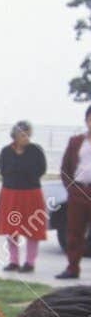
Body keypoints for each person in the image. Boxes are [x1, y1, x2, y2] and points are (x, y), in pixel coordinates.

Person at [0, 119, 46, 274]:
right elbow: (3, 170)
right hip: (10, 193)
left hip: (31, 193)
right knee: (12, 229)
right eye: (22, 134)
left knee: (32, 228)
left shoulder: (36, 150)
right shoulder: (6, 151)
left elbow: (41, 169)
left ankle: (30, 262)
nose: (25, 137)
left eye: (27, 134)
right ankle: (13, 260)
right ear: (15, 135)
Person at [58, 104, 91, 279]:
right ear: (86, 121)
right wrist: (71, 189)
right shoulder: (76, 142)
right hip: (78, 191)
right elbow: (65, 168)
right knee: (74, 232)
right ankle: (72, 268)